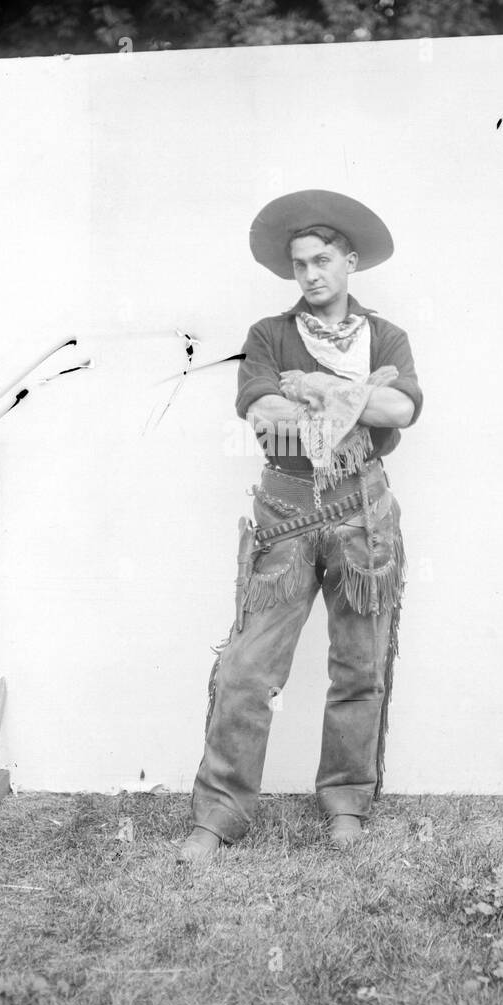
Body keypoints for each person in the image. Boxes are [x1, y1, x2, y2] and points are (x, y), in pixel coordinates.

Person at [178, 189, 423, 862]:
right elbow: (262, 415)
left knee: (359, 664)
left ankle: (346, 801)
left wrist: (310, 389)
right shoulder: (268, 335)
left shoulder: (387, 335)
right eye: (299, 265)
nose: (311, 275)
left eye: (322, 261)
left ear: (348, 262)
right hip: (284, 511)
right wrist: (353, 397)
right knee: (247, 669)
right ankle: (218, 815)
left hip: (364, 512)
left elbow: (402, 411)